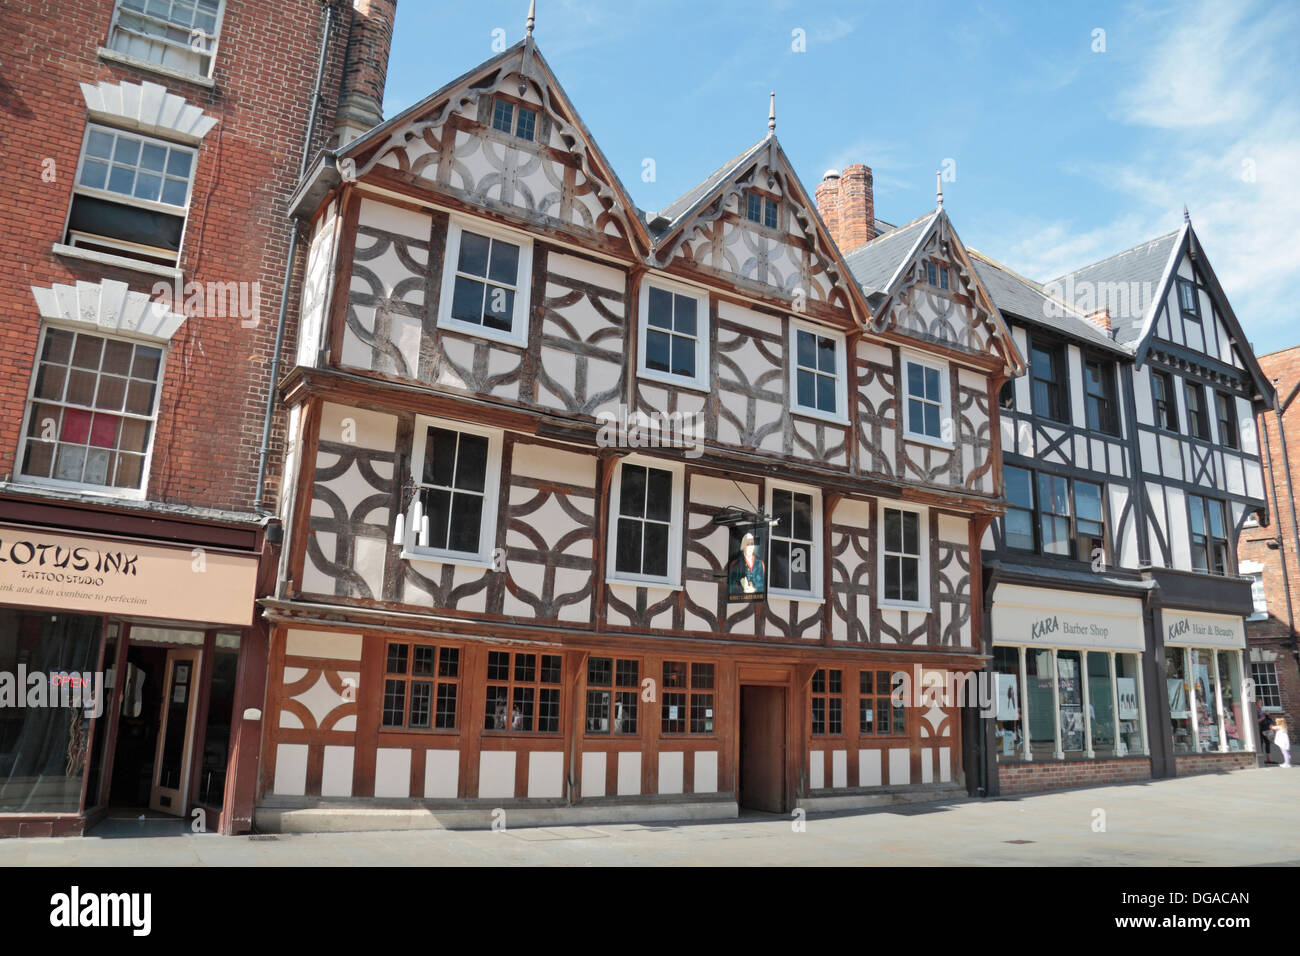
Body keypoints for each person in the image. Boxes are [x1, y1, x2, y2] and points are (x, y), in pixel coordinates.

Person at [728, 531, 765, 599]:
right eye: (748, 544)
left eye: (752, 544)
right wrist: (742, 589)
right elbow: (731, 588)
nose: (750, 547)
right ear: (744, 546)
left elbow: (762, 586)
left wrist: (754, 589)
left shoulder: (760, 564)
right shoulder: (735, 565)